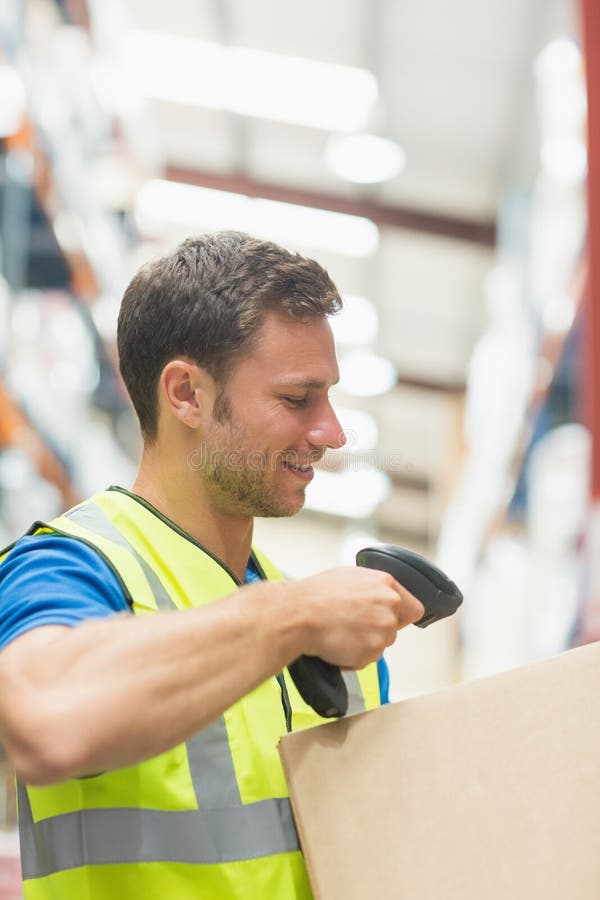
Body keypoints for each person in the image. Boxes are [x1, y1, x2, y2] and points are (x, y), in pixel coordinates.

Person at [0, 232, 424, 900]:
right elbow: (48, 718)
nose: (333, 432)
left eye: (329, 396)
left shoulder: (337, 635)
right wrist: (295, 615)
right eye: (297, 399)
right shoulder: (70, 563)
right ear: (186, 395)